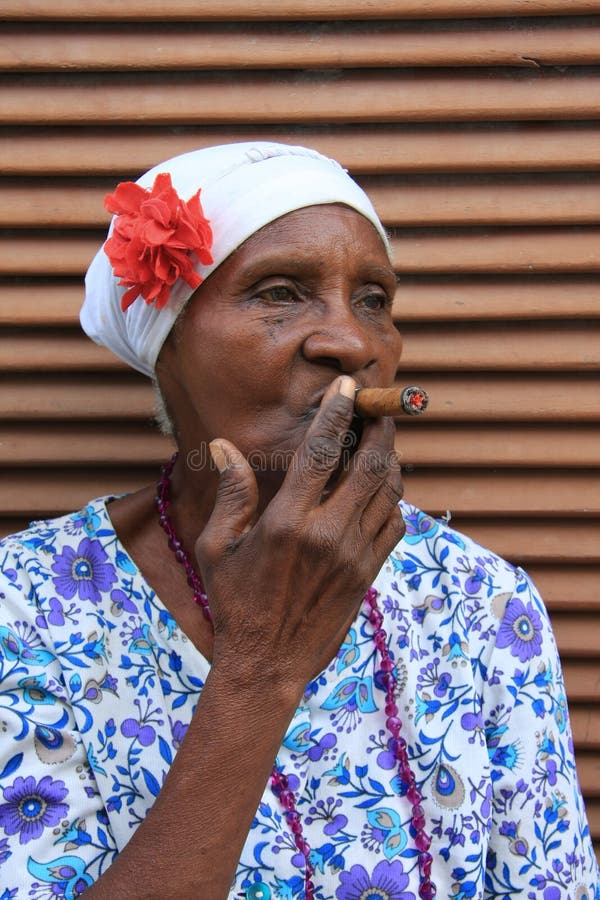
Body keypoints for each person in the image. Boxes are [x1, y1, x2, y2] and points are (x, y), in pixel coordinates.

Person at [0, 142, 597, 900]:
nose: (351, 343)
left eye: (373, 300)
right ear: (167, 343)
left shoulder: (480, 601)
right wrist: (261, 667)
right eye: (280, 292)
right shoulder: (24, 606)